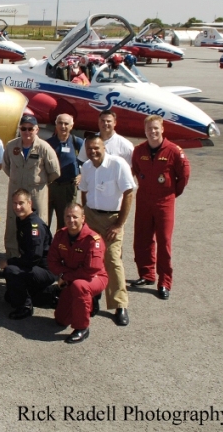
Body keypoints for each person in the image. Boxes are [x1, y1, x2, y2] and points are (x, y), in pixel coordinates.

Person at [130, 115, 190, 300]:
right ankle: (146, 274)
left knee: (164, 242)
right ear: (145, 131)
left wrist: (171, 193)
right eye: (149, 129)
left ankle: (164, 281)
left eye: (156, 128)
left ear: (162, 129)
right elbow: (137, 170)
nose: (153, 132)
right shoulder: (139, 151)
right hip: (144, 200)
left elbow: (184, 175)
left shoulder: (174, 151)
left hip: (164, 202)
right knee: (142, 239)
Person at [79, 135, 136, 327]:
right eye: (89, 149)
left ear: (104, 148)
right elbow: (84, 191)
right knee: (91, 259)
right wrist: (85, 215)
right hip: (92, 216)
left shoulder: (118, 164)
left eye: (96, 148)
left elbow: (129, 193)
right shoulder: (86, 167)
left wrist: (119, 224)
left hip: (112, 218)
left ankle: (120, 305)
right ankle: (93, 297)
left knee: (112, 259)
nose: (93, 152)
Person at [48, 203, 108, 344]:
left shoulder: (94, 240)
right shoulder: (61, 235)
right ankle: (89, 302)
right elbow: (52, 261)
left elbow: (91, 270)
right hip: (72, 277)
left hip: (94, 278)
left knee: (79, 286)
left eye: (75, 217)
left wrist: (65, 277)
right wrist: (64, 274)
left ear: (83, 218)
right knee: (61, 320)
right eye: (68, 217)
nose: (71, 220)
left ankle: (82, 328)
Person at [1, 114, 60, 257]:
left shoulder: (44, 148)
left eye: (30, 129)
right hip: (16, 192)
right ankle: (12, 257)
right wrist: (18, 179)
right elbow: (6, 167)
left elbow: (55, 172)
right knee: (13, 224)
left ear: (37, 129)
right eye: (24, 129)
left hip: (36, 193)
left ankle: (36, 258)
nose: (27, 132)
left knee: (37, 225)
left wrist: (39, 183)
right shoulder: (11, 146)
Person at [1, 189, 58, 320]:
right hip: (35, 266)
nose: (17, 207)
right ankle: (50, 294)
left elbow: (33, 257)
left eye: (21, 203)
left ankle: (25, 307)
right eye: (14, 203)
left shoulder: (34, 226)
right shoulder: (23, 219)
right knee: (9, 296)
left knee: (11, 271)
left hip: (46, 270)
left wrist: (10, 262)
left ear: (29, 203)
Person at [45, 114, 85, 231]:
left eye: (66, 124)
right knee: (44, 219)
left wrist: (82, 175)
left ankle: (62, 247)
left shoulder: (77, 143)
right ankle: (45, 247)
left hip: (68, 188)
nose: (63, 126)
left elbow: (88, 163)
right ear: (56, 125)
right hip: (49, 187)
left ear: (72, 126)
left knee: (66, 221)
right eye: (60, 123)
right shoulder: (48, 143)